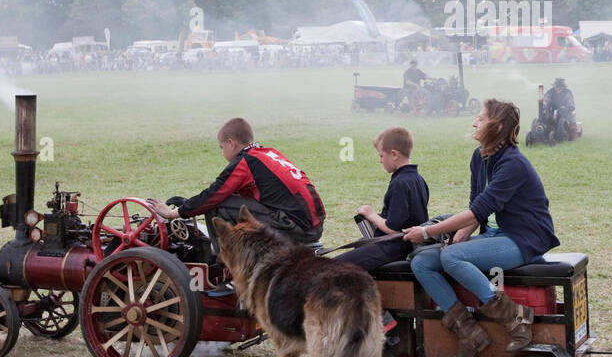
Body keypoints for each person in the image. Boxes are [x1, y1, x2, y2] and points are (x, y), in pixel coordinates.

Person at [403, 99, 559, 357]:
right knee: (422, 263)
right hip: (495, 236)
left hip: (524, 239)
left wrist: (428, 232)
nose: (474, 122)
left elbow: (477, 211)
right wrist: (460, 235)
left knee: (451, 258)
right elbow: (477, 206)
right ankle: (469, 334)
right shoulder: (480, 156)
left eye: (480, 118)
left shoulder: (513, 164)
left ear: (496, 127)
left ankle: (516, 319)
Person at [148, 117, 325, 245]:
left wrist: (173, 213)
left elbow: (213, 195)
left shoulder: (244, 162)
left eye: (221, 147)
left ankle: (226, 265)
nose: (222, 152)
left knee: (216, 206)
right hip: (314, 224)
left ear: (231, 143)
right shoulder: (268, 153)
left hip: (298, 228)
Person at [338, 127, 429, 273]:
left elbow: (393, 229)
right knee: (359, 246)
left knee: (335, 266)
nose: (380, 161)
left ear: (394, 154)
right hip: (409, 245)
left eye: (381, 156)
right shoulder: (418, 179)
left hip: (395, 246)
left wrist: (371, 215)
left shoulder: (400, 183)